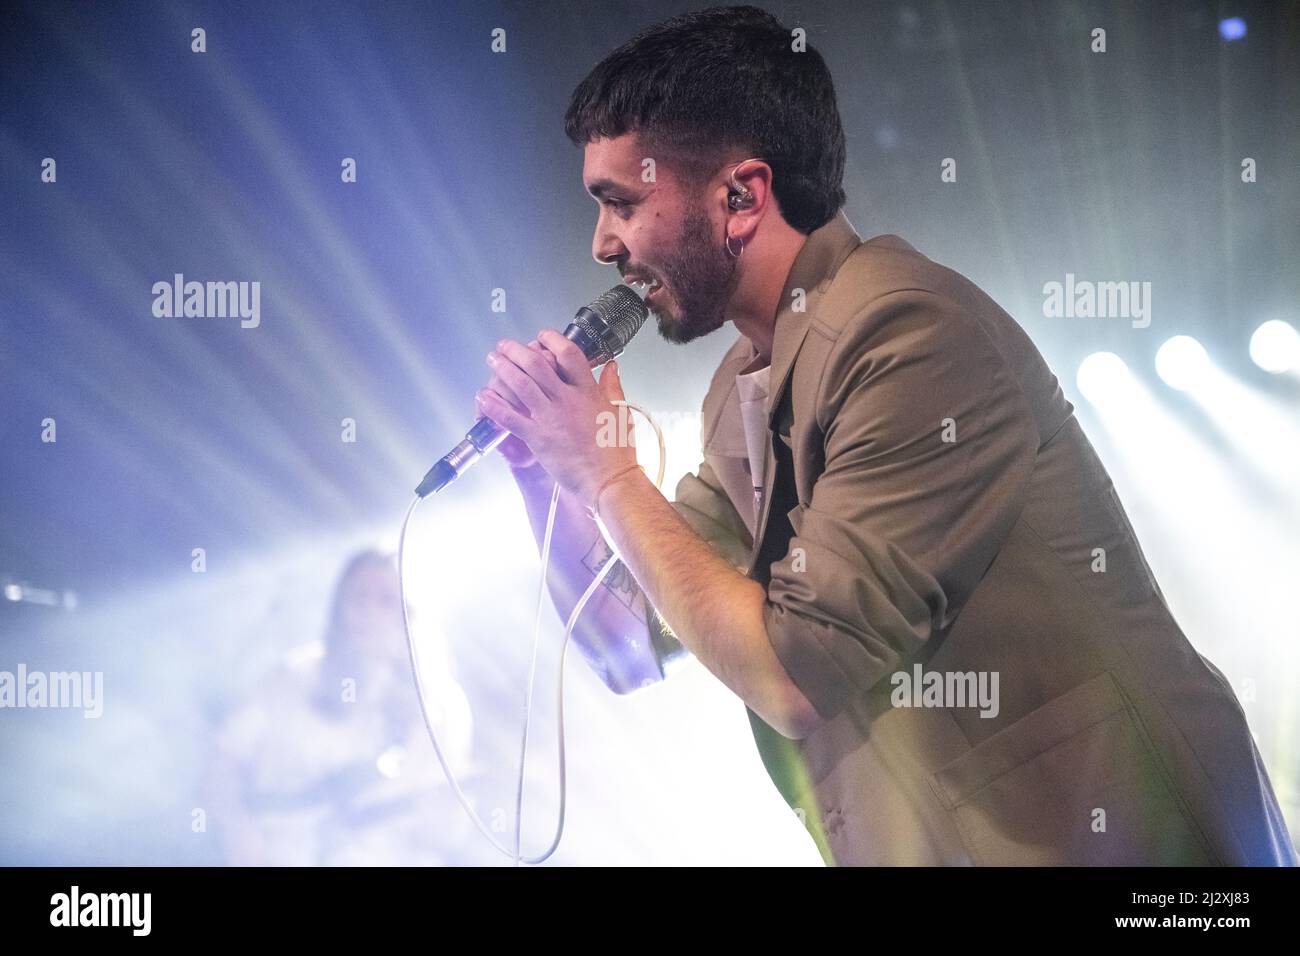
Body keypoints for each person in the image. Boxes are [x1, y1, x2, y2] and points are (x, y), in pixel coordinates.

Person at [474, 6, 1296, 865]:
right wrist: (547, 473)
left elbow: (795, 675)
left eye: (621, 203)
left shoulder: (908, 333)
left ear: (741, 197)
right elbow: (624, 643)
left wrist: (606, 474)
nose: (602, 243)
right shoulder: (741, 388)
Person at [206, 549, 478, 865]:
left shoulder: (442, 704)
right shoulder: (294, 677)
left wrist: (444, 815)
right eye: (359, 598)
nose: (371, 613)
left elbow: (446, 834)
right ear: (339, 609)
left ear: (412, 613)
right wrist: (239, 835)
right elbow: (221, 762)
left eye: (387, 601)